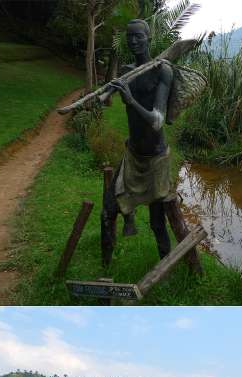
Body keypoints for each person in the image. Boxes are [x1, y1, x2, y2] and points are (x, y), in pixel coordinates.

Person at [101, 18, 175, 267]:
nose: (133, 41)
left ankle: (165, 269)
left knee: (157, 222)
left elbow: (157, 121)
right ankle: (105, 265)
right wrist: (108, 94)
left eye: (138, 36)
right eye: (129, 36)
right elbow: (111, 101)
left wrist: (131, 100)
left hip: (155, 156)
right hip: (133, 154)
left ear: (149, 38)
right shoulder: (126, 71)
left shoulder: (162, 70)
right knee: (108, 210)